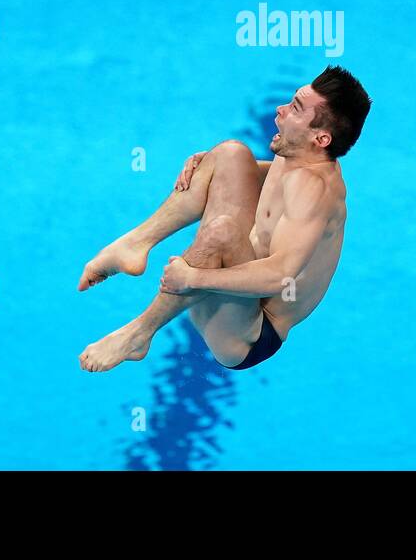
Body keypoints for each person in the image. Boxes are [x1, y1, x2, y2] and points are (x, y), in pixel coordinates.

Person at [77, 67, 371, 372]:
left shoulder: (315, 190)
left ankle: (138, 333)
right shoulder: (297, 155)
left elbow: (280, 276)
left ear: (321, 138)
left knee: (223, 231)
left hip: (250, 332)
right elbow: (273, 184)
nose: (279, 111)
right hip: (230, 288)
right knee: (230, 154)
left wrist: (192, 279)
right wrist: (209, 167)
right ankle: (134, 244)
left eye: (295, 108)